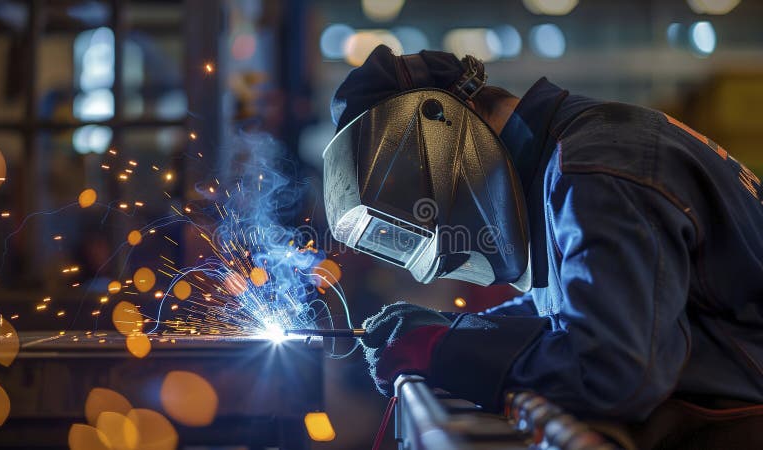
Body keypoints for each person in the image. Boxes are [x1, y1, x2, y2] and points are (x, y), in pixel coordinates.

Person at [321, 45, 763, 446]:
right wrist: (450, 328)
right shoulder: (567, 160)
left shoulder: (595, 171)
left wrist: (446, 348)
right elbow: (577, 314)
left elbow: (611, 370)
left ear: (439, 126)